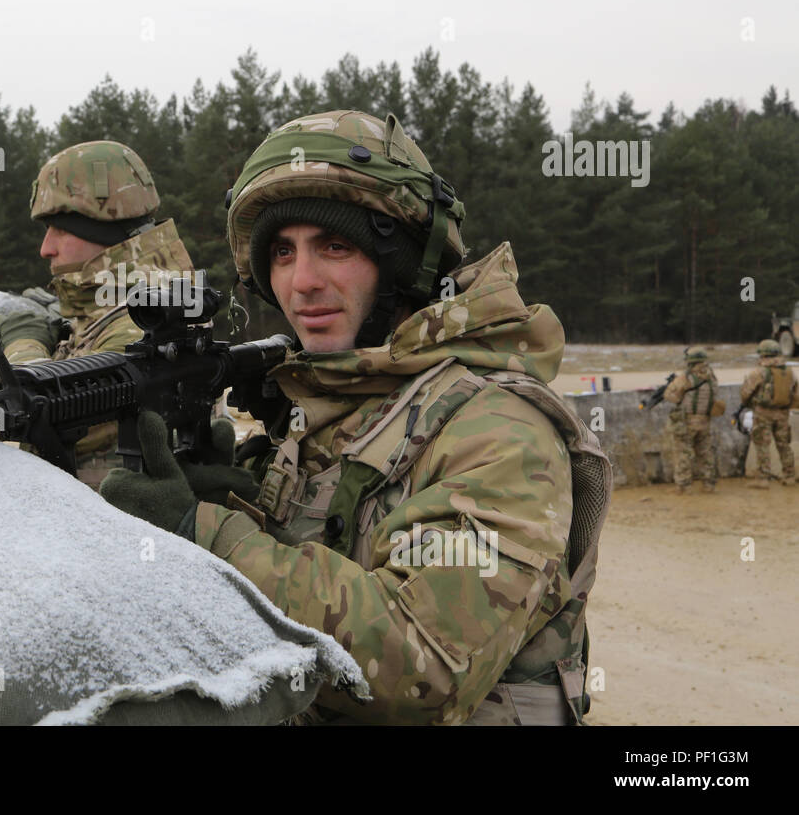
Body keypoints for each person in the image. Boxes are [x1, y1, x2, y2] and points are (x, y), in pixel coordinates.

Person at [101, 109, 611, 725]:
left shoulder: (498, 426)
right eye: (283, 253)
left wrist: (205, 533)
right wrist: (231, 504)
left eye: (335, 247)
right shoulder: (333, 406)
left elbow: (420, 667)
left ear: (404, 267)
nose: (302, 282)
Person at [0, 140, 197, 488]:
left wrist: (22, 346)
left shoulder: (147, 321)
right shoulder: (112, 305)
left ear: (103, 230)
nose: (46, 248)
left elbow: (51, 412)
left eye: (60, 228)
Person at [664, 346, 723, 493]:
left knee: (683, 453)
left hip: (687, 422)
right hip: (705, 421)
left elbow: (670, 395)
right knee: (706, 453)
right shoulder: (712, 378)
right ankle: (709, 484)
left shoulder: (686, 378)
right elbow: (715, 395)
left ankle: (684, 486)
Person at [740, 338, 796, 488]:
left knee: (762, 445)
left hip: (763, 413)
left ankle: (763, 478)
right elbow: (796, 394)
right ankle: (790, 476)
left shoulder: (759, 372)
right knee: (784, 445)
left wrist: (749, 404)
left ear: (763, 355)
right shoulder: (789, 371)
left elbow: (745, 393)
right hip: (783, 414)